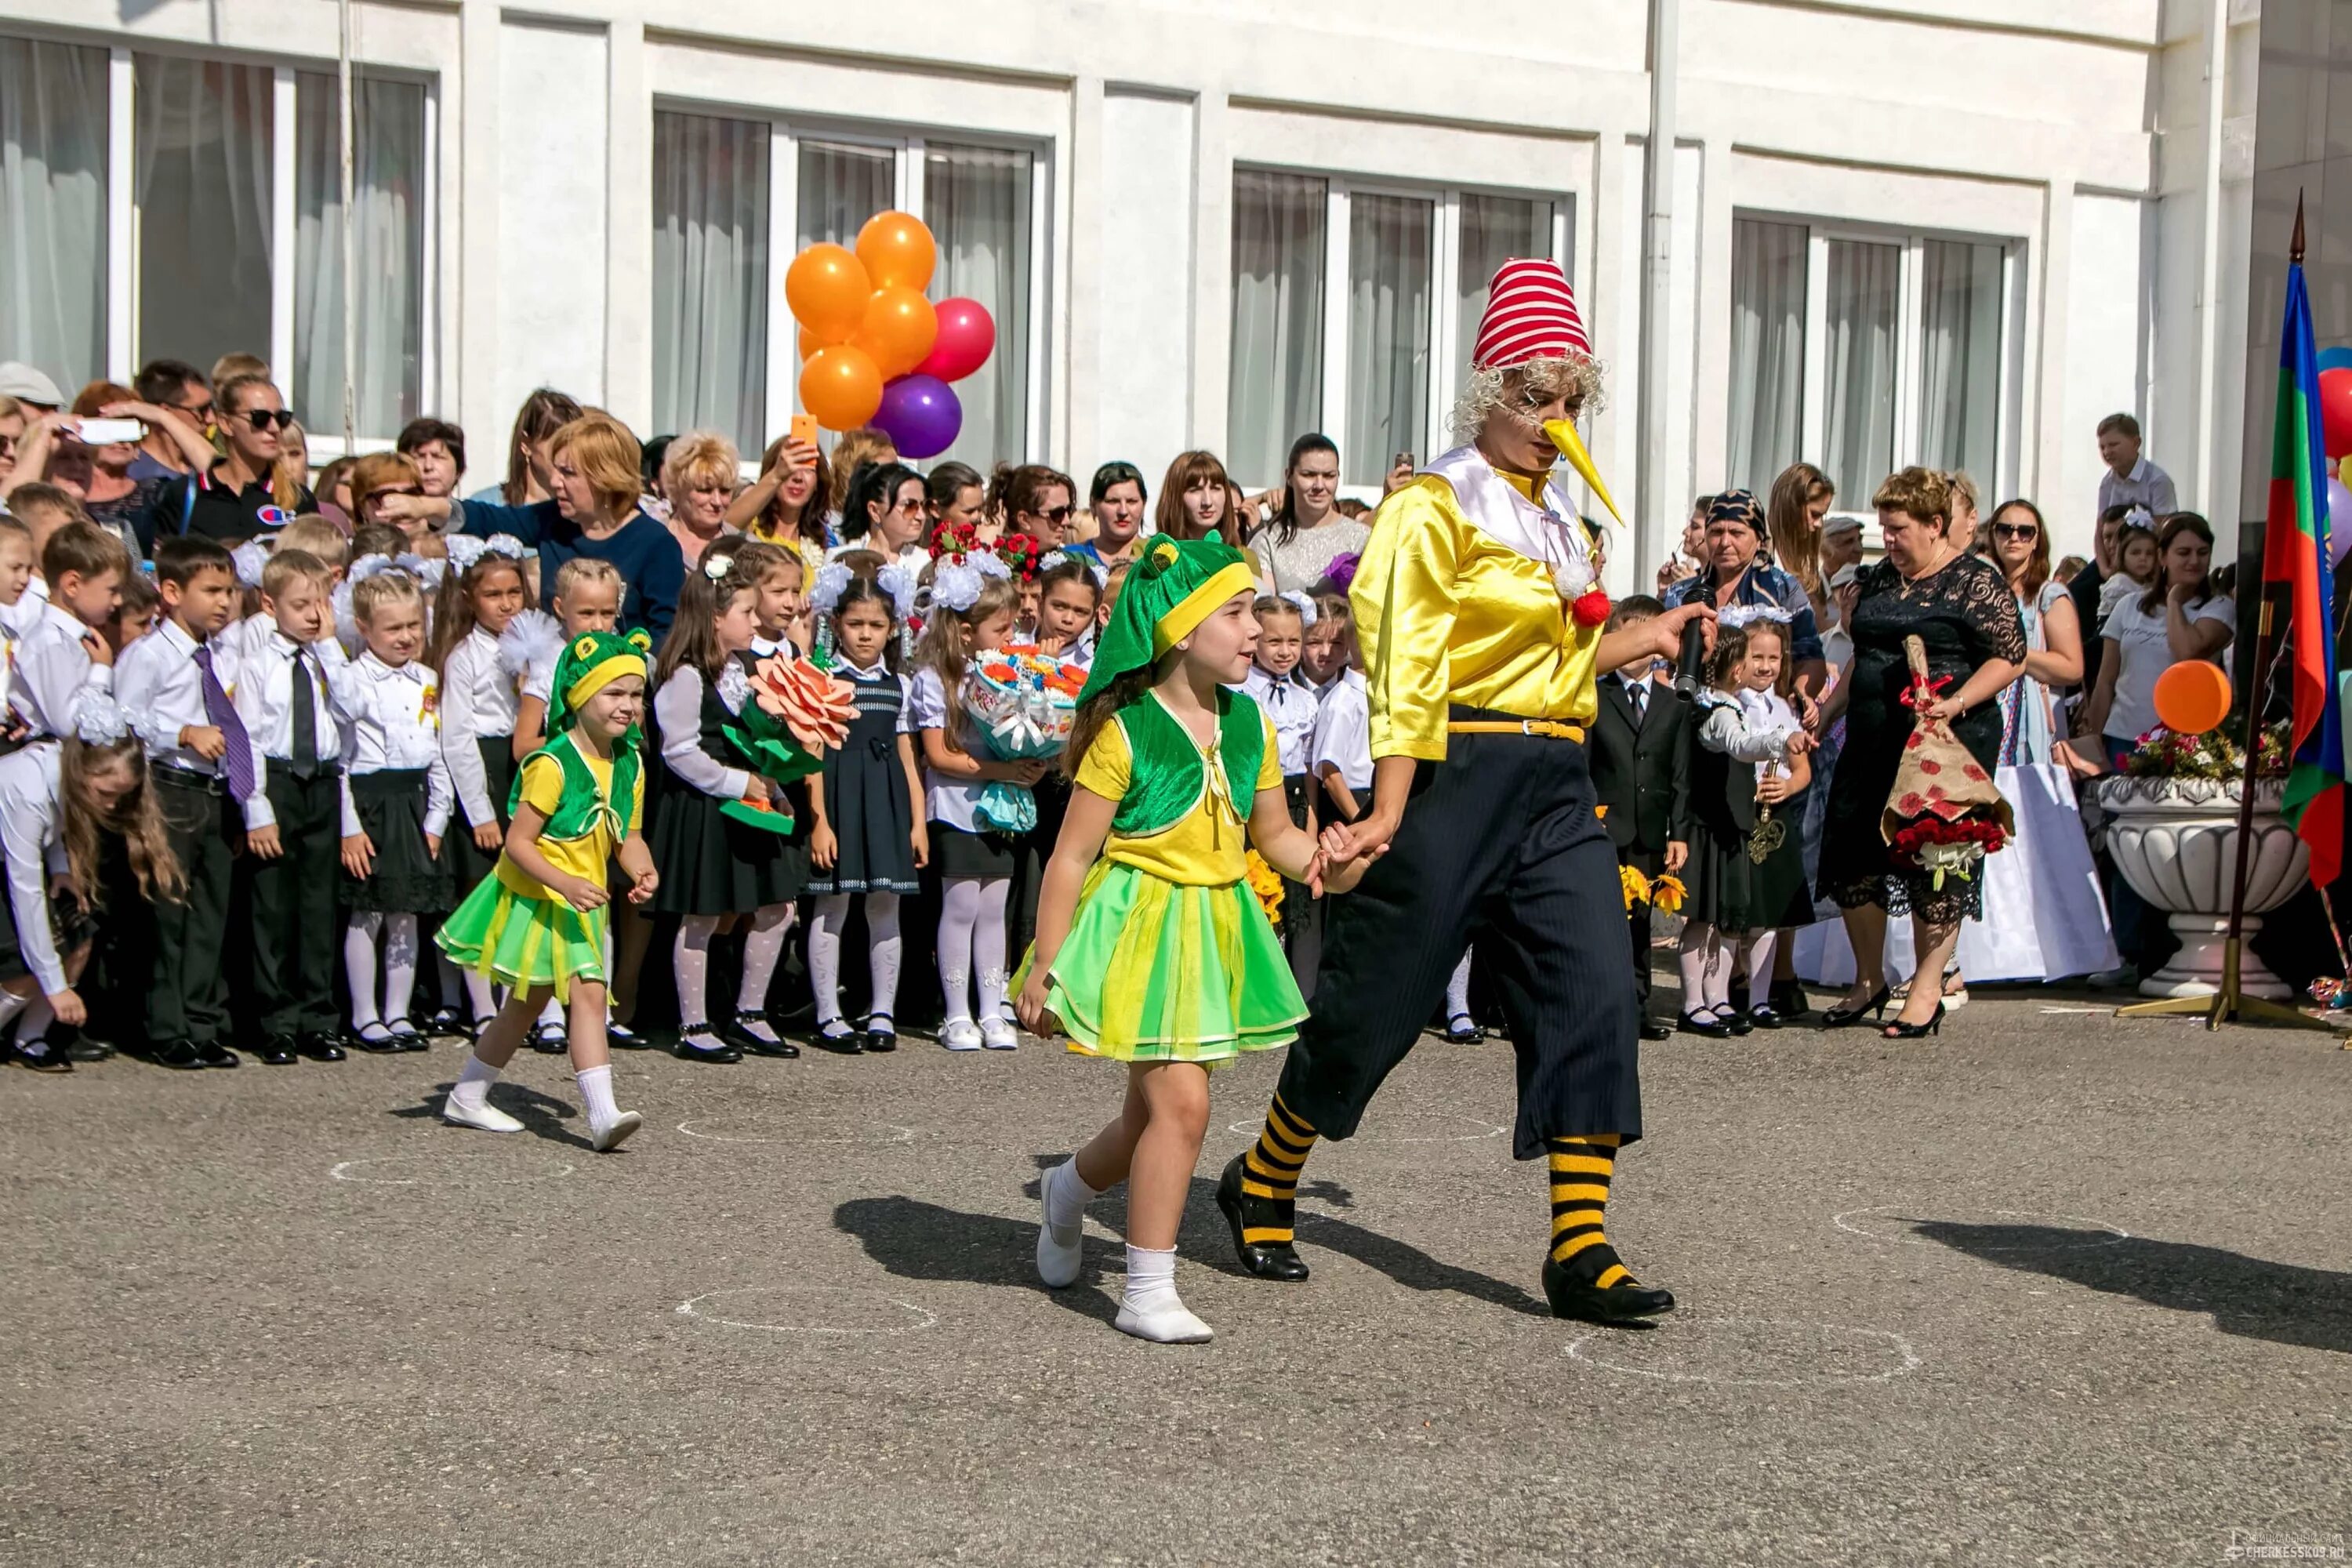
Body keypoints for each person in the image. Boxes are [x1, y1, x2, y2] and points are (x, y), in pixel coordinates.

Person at [1220, 256, 1709, 1323]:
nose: (1552, 418)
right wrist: (1390, 806)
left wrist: (1641, 638)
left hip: (1553, 779)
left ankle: (1578, 1247)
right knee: (1376, 1004)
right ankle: (1263, 1173)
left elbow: (1557, 671)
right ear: (1488, 395)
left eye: (1569, 399)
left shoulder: (1562, 526)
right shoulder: (1434, 506)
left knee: (1597, 991)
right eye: (1534, 397)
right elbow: (1409, 665)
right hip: (1451, 772)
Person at [1016, 535, 1368, 1343]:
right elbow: (1071, 856)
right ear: (1179, 629)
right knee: (1183, 1101)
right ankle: (1146, 1288)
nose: (1256, 629)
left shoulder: (1251, 724)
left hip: (1211, 926)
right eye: (1236, 613)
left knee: (1150, 1118)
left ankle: (1068, 1191)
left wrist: (1333, 865)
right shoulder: (1127, 730)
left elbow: (1276, 836)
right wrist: (1045, 962)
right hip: (1139, 927)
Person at [1814, 468, 2025, 1040]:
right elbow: (1864, 652)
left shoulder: (1973, 583)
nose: (1891, 540)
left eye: (1899, 529)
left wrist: (1954, 704)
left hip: (1944, 743)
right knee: (1852, 857)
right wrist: (1827, 712)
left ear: (1936, 525)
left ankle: (1928, 987)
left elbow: (2010, 656)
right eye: (1884, 528)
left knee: (1937, 860)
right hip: (1871, 737)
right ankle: (1868, 979)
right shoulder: (1882, 577)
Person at [435, 629, 659, 1152]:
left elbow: (627, 834)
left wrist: (642, 869)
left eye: (636, 694)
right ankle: (602, 1114)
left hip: (580, 899)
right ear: (579, 697)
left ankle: (467, 1095)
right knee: (587, 992)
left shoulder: (629, 762)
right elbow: (517, 844)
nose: (628, 706)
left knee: (527, 1003)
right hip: (541, 896)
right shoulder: (551, 764)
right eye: (614, 694)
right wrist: (565, 883)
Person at [647, 551, 806, 1064]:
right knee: (703, 915)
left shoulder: (738, 668)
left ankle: (750, 1012)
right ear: (716, 618)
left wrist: (772, 783)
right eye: (743, 612)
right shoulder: (687, 675)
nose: (754, 620)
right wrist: (740, 783)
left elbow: (752, 736)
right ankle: (694, 1022)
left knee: (777, 909)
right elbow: (679, 751)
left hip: (744, 804)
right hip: (705, 808)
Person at [2074, 512, 2232, 989]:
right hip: (2125, 738)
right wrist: (2094, 738)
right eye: (2183, 553)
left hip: (2181, 745)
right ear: (2162, 557)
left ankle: (2169, 953)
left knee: (2171, 851)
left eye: (2202, 554)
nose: (2194, 562)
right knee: (2124, 850)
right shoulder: (2127, 608)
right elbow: (2107, 679)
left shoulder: (2217, 608)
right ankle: (2126, 953)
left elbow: (2187, 654)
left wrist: (2178, 601)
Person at [0, 690, 181, 1070]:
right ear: (84, 771)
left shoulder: (65, 774)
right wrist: (57, 988)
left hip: (19, 864)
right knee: (24, 965)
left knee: (81, 935)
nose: (112, 805)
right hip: (12, 870)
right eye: (107, 794)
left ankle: (29, 1040)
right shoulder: (28, 787)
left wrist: (62, 867)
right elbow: (25, 886)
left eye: (121, 797)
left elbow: (55, 826)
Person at [115, 534, 243, 1069]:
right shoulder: (149, 654)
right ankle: (167, 1028)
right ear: (170, 591)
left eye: (229, 590)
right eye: (211, 590)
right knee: (168, 910)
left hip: (211, 792)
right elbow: (122, 720)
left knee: (210, 912)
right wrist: (182, 732)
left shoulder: (217, 655)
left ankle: (202, 1021)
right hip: (168, 789)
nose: (223, 601)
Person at [394, 412, 686, 641]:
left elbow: (667, 635)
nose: (555, 482)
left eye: (568, 473)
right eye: (556, 471)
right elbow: (489, 519)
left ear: (605, 479)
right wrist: (426, 506)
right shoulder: (553, 520)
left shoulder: (655, 545)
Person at [229, 548, 353, 1065]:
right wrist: (256, 808)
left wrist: (329, 647)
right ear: (268, 603)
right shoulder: (257, 666)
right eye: (300, 604)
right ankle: (275, 1022)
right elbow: (248, 739)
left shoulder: (332, 657)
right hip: (278, 781)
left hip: (322, 782)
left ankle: (316, 1018)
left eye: (320, 603)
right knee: (273, 908)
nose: (312, 614)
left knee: (318, 907)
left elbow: (354, 708)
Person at [911, 568, 1042, 1051]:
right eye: (1001, 629)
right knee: (961, 905)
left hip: (999, 809)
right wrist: (1005, 772)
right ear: (966, 631)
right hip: (954, 806)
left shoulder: (1008, 674)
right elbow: (940, 755)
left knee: (993, 910)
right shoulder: (934, 680)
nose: (1011, 637)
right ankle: (956, 1011)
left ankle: (991, 1007)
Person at [804, 565, 927, 1052]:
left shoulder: (898, 684)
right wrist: (819, 822)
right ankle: (828, 1012)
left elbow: (907, 757)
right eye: (856, 624)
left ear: (891, 629)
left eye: (876, 626)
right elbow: (813, 755)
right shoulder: (823, 680)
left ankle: (882, 1011)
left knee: (885, 905)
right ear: (837, 625)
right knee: (832, 904)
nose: (865, 635)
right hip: (838, 798)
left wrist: (918, 821)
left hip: (886, 801)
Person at [336, 565, 455, 1051]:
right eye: (394, 628)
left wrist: (436, 818)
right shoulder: (351, 681)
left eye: (414, 625)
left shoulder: (427, 678)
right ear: (363, 628)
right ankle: (365, 1014)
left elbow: (439, 751)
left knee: (407, 911)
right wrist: (349, 826)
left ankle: (398, 1013)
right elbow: (340, 759)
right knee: (368, 912)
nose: (406, 637)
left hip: (415, 800)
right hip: (370, 802)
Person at [1677, 615, 1812, 1036]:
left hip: (1743, 820)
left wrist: (1787, 781)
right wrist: (1778, 741)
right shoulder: (1716, 710)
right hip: (1719, 820)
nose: (1765, 665)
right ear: (1737, 667)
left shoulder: (1751, 705)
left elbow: (1799, 768)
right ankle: (1695, 1002)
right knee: (1707, 917)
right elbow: (1740, 745)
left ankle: (1718, 998)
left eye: (1775, 657)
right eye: (1755, 657)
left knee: (1734, 915)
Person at [430, 535, 533, 1033]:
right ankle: (480, 1002)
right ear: (471, 598)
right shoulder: (464, 657)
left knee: (520, 890)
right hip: (485, 769)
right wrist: (480, 811)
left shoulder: (536, 647)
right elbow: (456, 739)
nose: (507, 603)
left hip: (525, 766)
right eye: (494, 595)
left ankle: (519, 997)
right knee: (480, 893)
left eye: (514, 591)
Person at [1590, 595, 1691, 1041]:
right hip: (1603, 828)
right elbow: (1585, 762)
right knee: (1598, 919)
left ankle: (1637, 1005)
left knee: (1640, 924)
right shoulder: (1595, 694)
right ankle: (1597, 1006)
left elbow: (1680, 776)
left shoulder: (1673, 704)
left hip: (1649, 830)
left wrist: (1679, 831)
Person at [1665, 491, 1828, 711]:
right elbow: (1661, 665)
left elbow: (1811, 657)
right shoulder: (1682, 593)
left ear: (1759, 537)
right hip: (1693, 713)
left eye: (1736, 533)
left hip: (1765, 718)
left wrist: (1799, 697)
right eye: (1715, 532)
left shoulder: (1783, 588)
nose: (1724, 542)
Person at [11, 521, 123, 746]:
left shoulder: (77, 639)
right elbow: (68, 725)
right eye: (113, 590)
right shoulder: (50, 642)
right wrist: (101, 670)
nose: (119, 601)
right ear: (72, 585)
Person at [185, 376, 314, 543]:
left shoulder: (301, 499)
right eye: (260, 418)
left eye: (282, 418)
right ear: (225, 424)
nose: (275, 428)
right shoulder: (185, 494)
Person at [1252, 434, 1370, 597]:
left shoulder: (1362, 538)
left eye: (1329, 475)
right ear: (1289, 476)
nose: (1319, 485)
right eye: (1309, 475)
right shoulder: (1267, 541)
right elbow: (1265, 608)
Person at [727, 431, 829, 583]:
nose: (798, 478)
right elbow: (724, 526)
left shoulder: (822, 540)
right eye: (790, 468)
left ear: (818, 483)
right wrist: (776, 476)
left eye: (808, 469)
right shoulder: (750, 526)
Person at [474, 389, 583, 506]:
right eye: (556, 445)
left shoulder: (581, 512)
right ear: (526, 444)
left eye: (573, 444)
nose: (566, 454)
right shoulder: (487, 507)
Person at [659, 431, 740, 567]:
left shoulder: (746, 548)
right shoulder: (652, 541)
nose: (717, 502)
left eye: (725, 491)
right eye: (705, 490)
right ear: (678, 489)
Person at [836, 461, 931, 571]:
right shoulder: (842, 561)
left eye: (924, 506)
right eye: (909, 505)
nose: (921, 516)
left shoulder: (926, 563)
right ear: (875, 511)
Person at [2096, 412, 2177, 519]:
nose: (2106, 452)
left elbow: (2163, 530)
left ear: (2136, 443)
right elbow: (2100, 530)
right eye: (2102, 447)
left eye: (2113, 445)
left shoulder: (2158, 481)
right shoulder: (2107, 483)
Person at [1154, 451, 1240, 546]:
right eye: (1195, 490)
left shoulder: (1244, 557)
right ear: (1175, 497)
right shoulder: (1150, 553)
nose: (1207, 502)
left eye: (1215, 489)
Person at [1077, 463, 1149, 570]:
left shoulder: (1162, 556)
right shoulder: (1072, 558)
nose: (1123, 511)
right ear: (1093, 505)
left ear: (1144, 504)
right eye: (1113, 501)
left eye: (1131, 501)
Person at [990, 464, 1078, 550]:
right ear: (1024, 519)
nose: (1067, 521)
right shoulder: (994, 562)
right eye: (1058, 513)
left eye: (1070, 509)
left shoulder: (1078, 560)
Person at [1654, 493, 1714, 594]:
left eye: (1695, 527)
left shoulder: (1727, 584)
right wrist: (1664, 592)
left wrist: (1695, 588)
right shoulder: (1692, 576)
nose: (1685, 532)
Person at [396, 418, 466, 500]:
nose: (428, 466)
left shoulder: (476, 512)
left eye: (438, 457)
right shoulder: (382, 511)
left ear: (458, 470)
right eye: (420, 457)